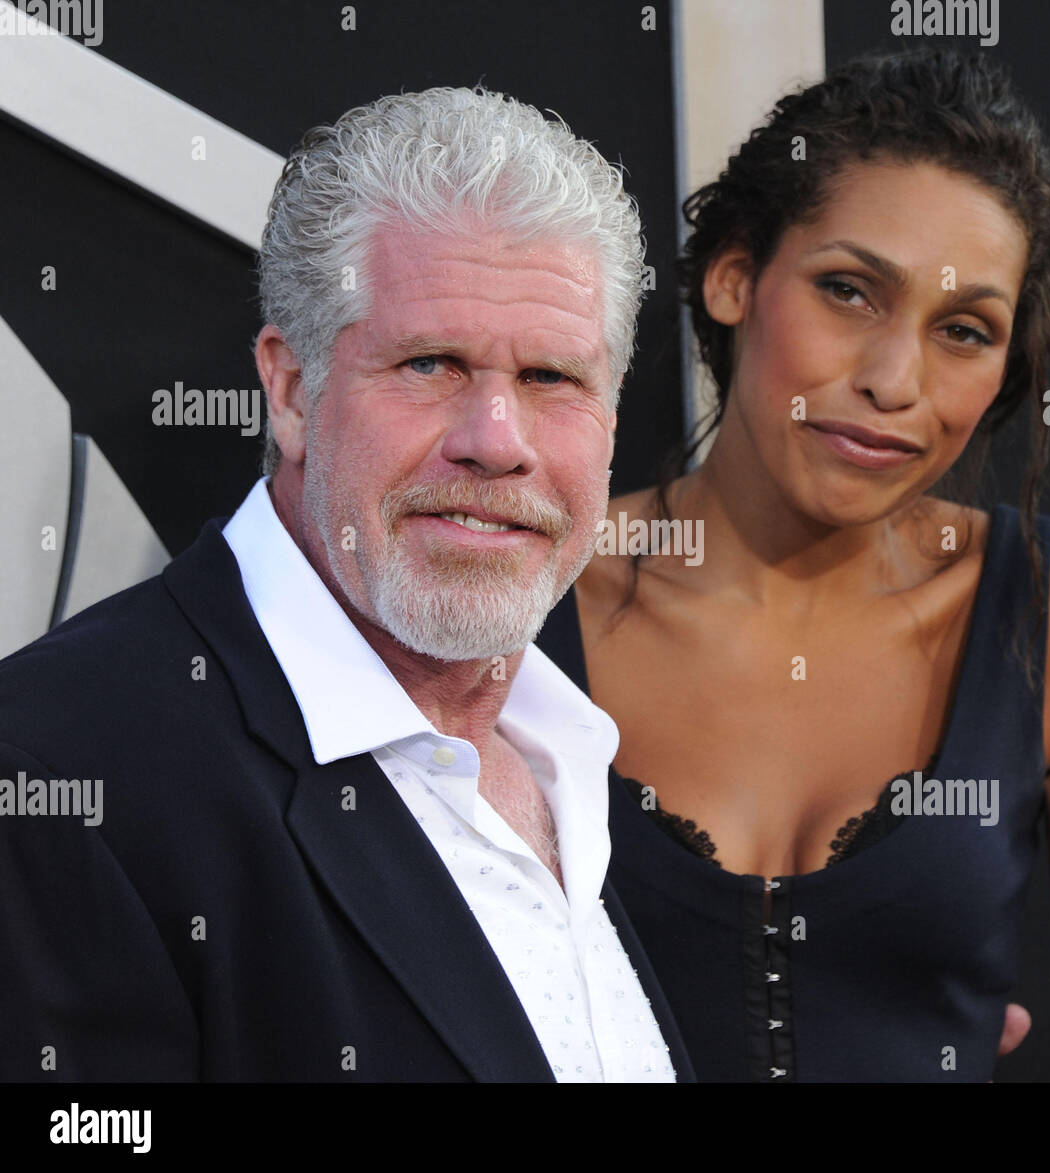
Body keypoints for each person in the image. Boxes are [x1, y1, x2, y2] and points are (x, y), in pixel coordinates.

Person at [536, 49, 1050, 1081]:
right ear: (736, 276)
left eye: (962, 330)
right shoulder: (525, 596)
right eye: (849, 292)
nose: (893, 380)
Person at [0, 86, 692, 1082]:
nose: (496, 442)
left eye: (550, 379)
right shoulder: (60, 785)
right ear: (288, 388)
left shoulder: (571, 757)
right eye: (430, 364)